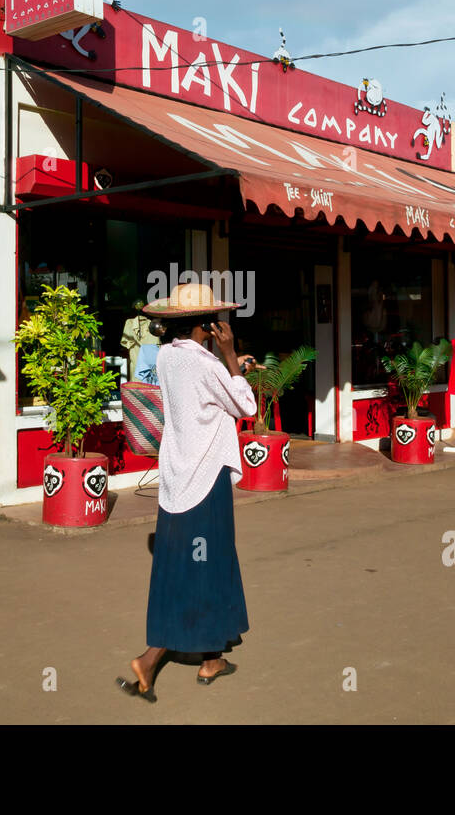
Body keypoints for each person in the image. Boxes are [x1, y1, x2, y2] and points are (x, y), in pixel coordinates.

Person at [116, 282, 259, 703]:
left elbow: (206, 394)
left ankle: (211, 657)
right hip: (206, 476)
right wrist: (232, 357)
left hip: (177, 477)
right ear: (207, 327)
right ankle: (151, 657)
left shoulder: (166, 356)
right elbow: (245, 407)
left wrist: (231, 366)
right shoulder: (209, 364)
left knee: (184, 564)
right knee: (206, 563)